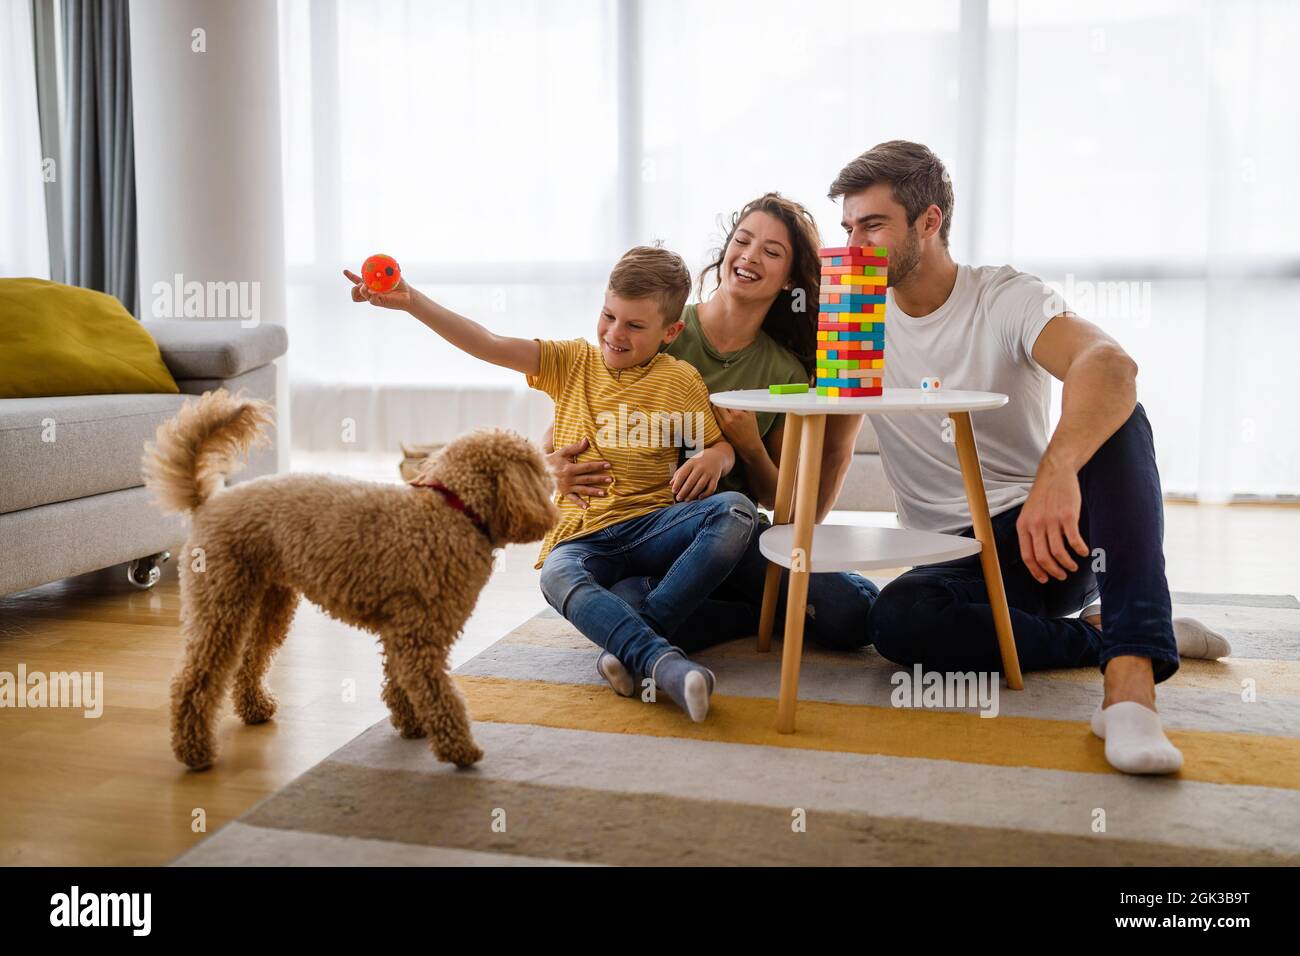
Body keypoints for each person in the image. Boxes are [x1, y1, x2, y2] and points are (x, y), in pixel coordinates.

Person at [828, 140, 1229, 775]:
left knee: (1121, 414)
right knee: (898, 619)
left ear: (929, 222)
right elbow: (835, 436)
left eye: (873, 225)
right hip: (951, 558)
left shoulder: (1003, 295)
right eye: (848, 227)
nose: (854, 243)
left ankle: (1130, 690)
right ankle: (1120, 630)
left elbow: (1110, 363)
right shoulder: (855, 312)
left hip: (1047, 538)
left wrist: (1057, 471)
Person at [343, 245, 756, 723]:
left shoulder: (679, 381)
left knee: (736, 511)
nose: (614, 334)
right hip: (584, 538)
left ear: (671, 332)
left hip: (653, 527)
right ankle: (664, 662)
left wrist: (717, 456)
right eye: (608, 316)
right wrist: (412, 300)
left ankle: (630, 648)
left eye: (634, 326)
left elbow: (714, 444)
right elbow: (488, 342)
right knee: (557, 575)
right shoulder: (571, 362)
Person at [545, 193, 878, 686]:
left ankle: (651, 633)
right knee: (625, 598)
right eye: (742, 241)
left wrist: (743, 446)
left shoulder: (783, 369)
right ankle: (743, 615)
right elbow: (571, 413)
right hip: (645, 529)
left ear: (788, 278)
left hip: (731, 534)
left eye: (771, 251)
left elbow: (773, 494)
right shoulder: (664, 329)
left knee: (850, 614)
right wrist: (549, 464)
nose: (749, 256)